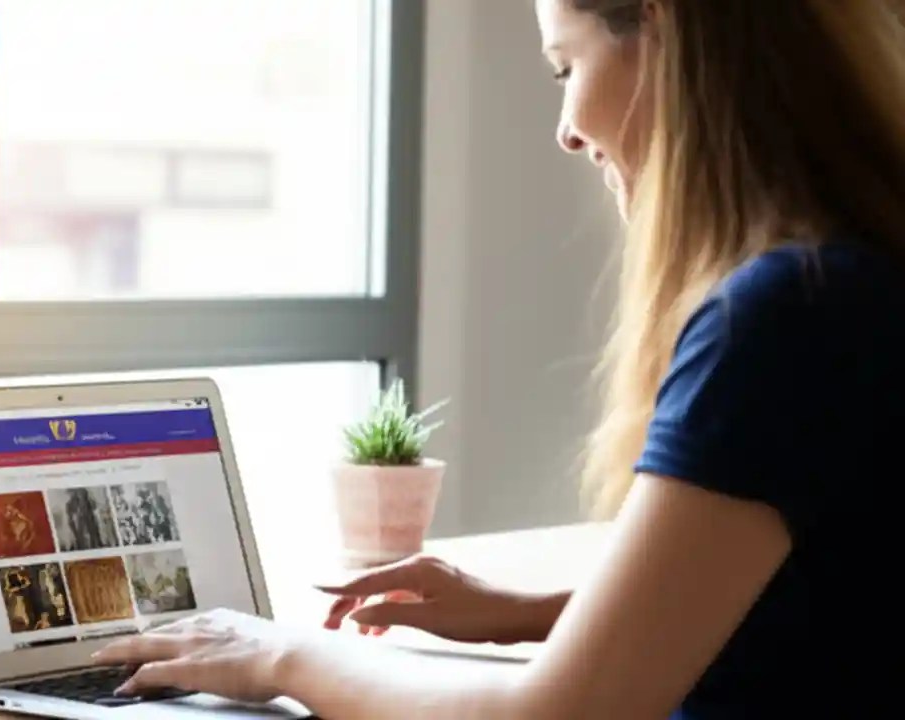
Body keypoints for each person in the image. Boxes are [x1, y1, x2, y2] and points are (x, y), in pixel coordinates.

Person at [94, 1, 905, 716]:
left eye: (566, 66)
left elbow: (554, 715)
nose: (567, 128)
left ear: (664, 32)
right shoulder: (858, 281)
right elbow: (831, 610)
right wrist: (530, 611)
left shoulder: (776, 322)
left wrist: (279, 654)